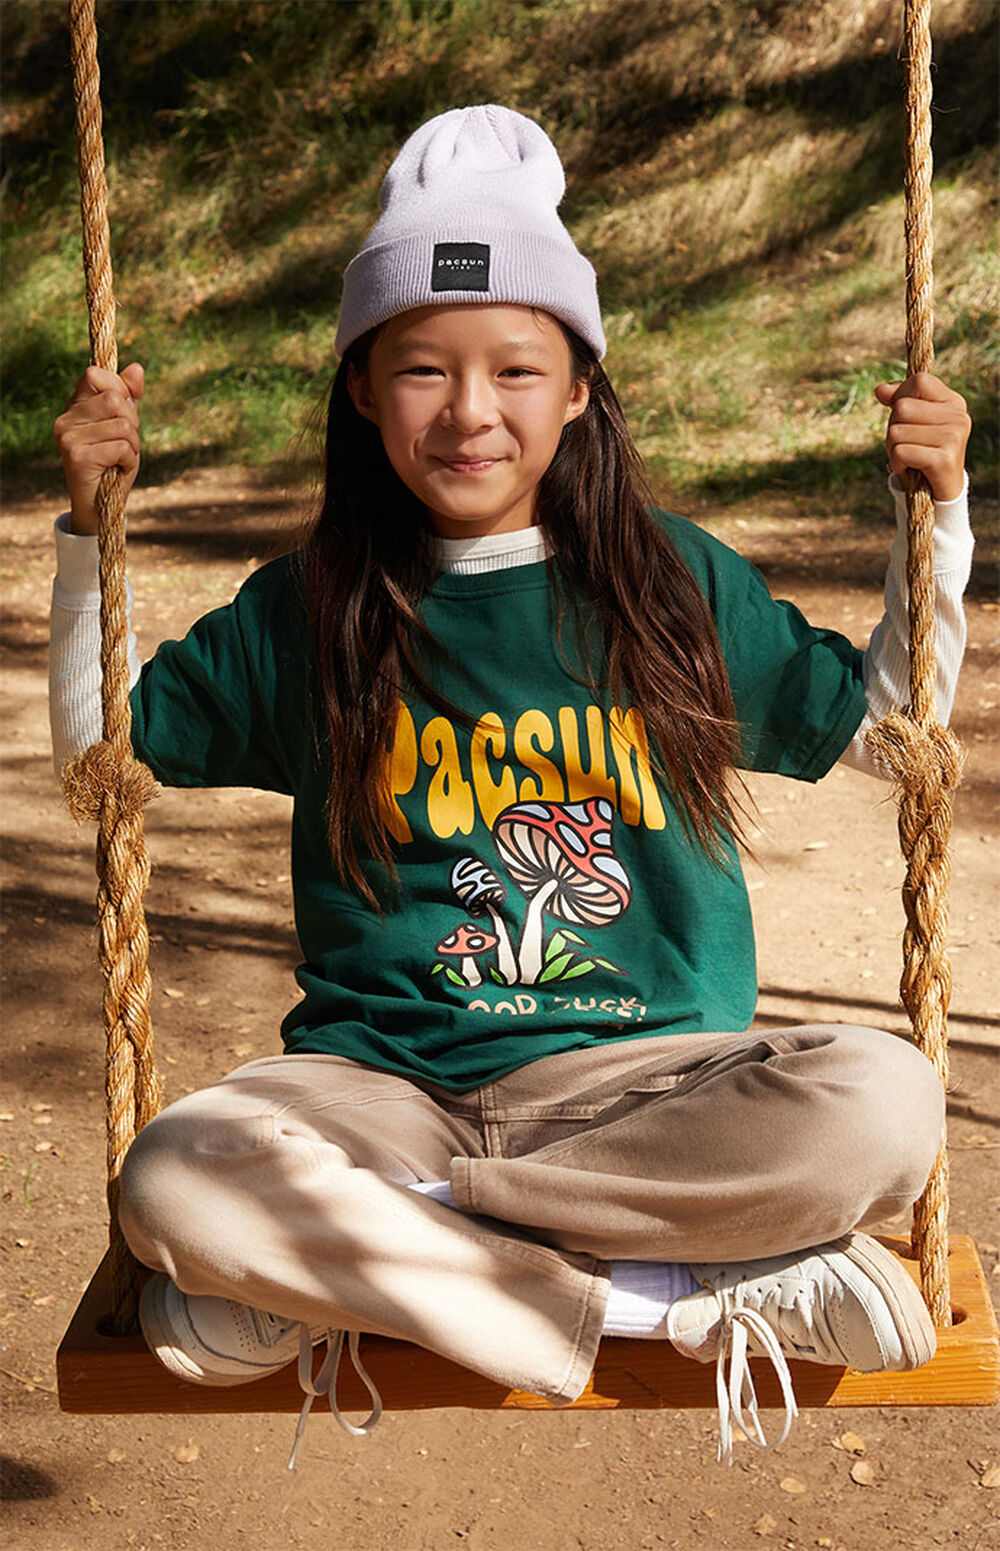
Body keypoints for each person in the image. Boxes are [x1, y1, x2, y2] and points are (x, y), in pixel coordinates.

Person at [50, 105, 974, 1467]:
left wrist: (937, 513)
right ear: (363, 391)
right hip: (383, 1090)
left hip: (649, 1086)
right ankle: (658, 1299)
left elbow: (894, 714)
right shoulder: (317, 607)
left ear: (581, 385)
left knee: (886, 1105)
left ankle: (385, 1264)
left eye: (517, 370)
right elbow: (103, 755)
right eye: (422, 370)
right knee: (176, 1176)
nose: (471, 412)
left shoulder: (669, 586)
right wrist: (89, 533)